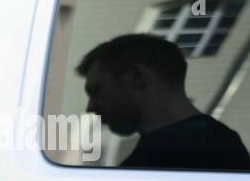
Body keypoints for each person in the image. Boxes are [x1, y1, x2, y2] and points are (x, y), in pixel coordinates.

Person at [76, 33, 249, 171]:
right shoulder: (213, 143)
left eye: (96, 91)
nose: (90, 107)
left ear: (135, 78)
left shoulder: (191, 150)